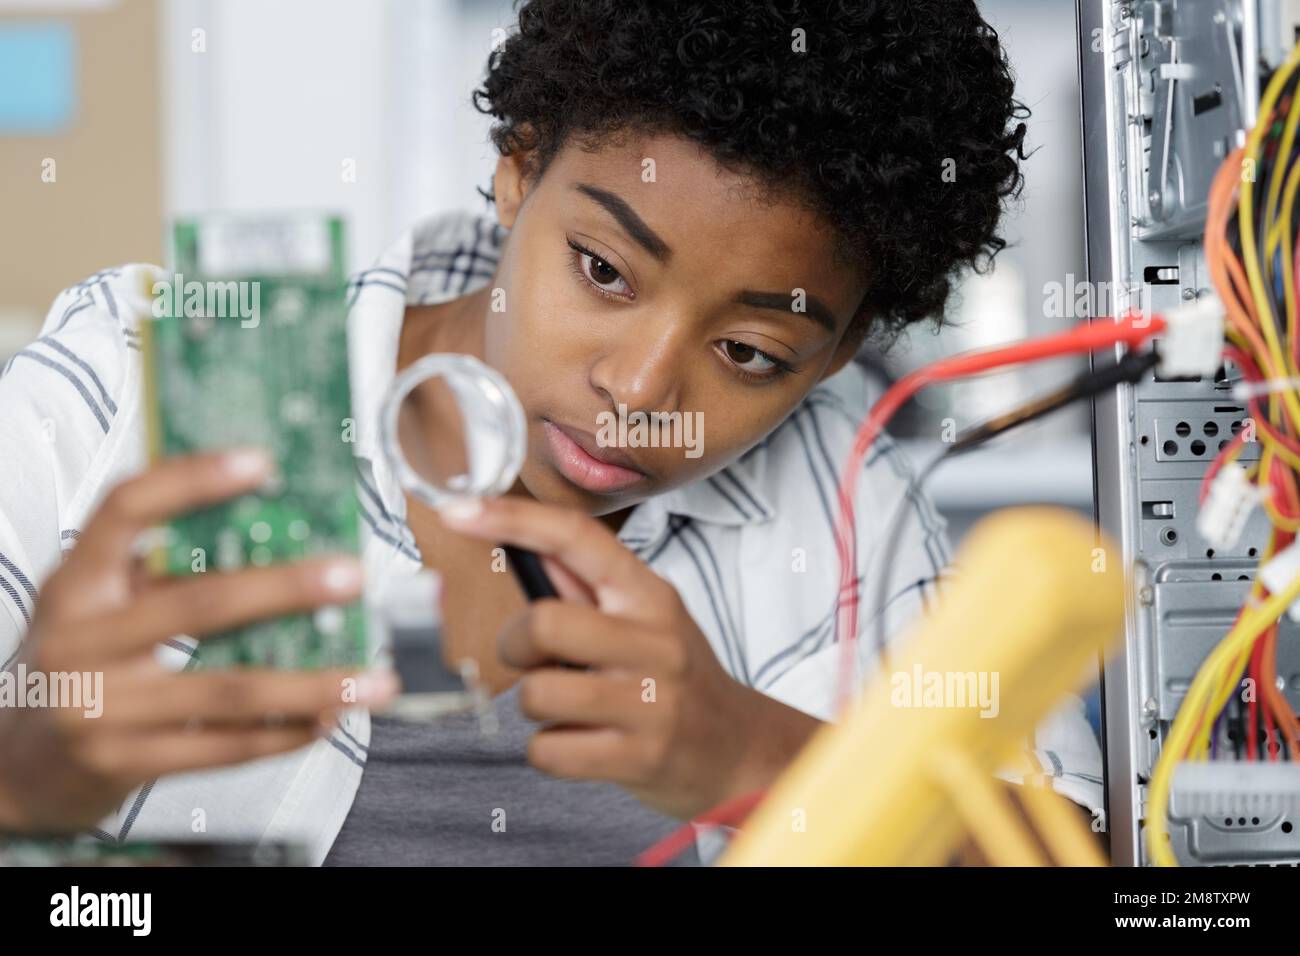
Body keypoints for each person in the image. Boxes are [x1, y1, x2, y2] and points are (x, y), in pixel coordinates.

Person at [0, 0, 1104, 865]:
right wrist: (31, 774)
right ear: (519, 164)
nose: (636, 387)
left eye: (751, 352)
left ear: (849, 340)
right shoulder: (149, 368)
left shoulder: (842, 492)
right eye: (603, 270)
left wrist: (751, 754)